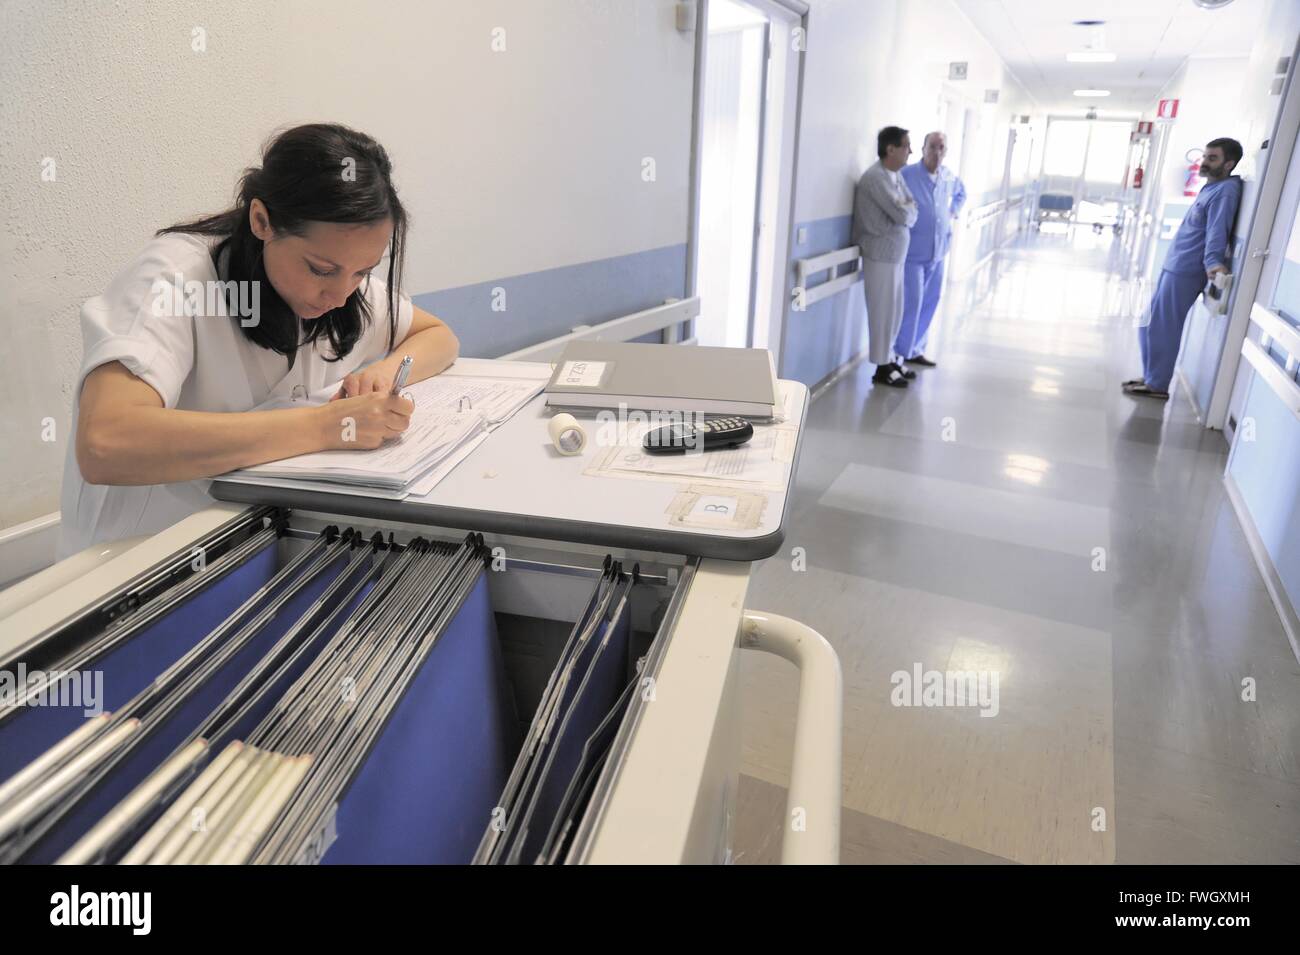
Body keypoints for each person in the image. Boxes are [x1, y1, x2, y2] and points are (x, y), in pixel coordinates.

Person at [60, 123, 460, 555]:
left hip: (261, 545)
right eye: (320, 270)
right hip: (139, 562)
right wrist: (327, 426)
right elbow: (106, 443)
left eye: (364, 271)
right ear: (261, 221)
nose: (342, 292)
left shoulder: (340, 284)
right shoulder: (179, 280)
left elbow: (438, 336)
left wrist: (382, 373)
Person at [1124, 137, 1244, 399]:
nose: (1205, 162)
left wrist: (1213, 261)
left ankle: (1157, 384)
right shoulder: (1211, 188)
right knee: (1148, 323)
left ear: (1228, 164)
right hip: (1175, 263)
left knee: (1164, 325)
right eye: (1205, 156)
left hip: (1188, 269)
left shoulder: (1226, 191)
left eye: (1213, 158)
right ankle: (1151, 375)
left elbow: (1217, 230)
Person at [853, 126, 918, 388]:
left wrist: (906, 210)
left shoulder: (895, 176)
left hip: (895, 255)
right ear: (890, 149)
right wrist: (906, 211)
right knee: (882, 311)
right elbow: (903, 214)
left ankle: (889, 358)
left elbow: (913, 209)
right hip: (879, 254)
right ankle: (881, 367)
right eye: (906, 146)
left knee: (894, 310)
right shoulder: (876, 178)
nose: (910, 151)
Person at [894, 131, 966, 368]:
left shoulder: (947, 176)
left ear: (946, 151)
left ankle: (915, 349)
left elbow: (961, 193)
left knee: (930, 301)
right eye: (932, 147)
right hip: (913, 254)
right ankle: (899, 352)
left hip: (938, 252)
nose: (936, 152)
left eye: (941, 147)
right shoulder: (908, 175)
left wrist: (953, 211)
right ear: (923, 149)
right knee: (912, 304)